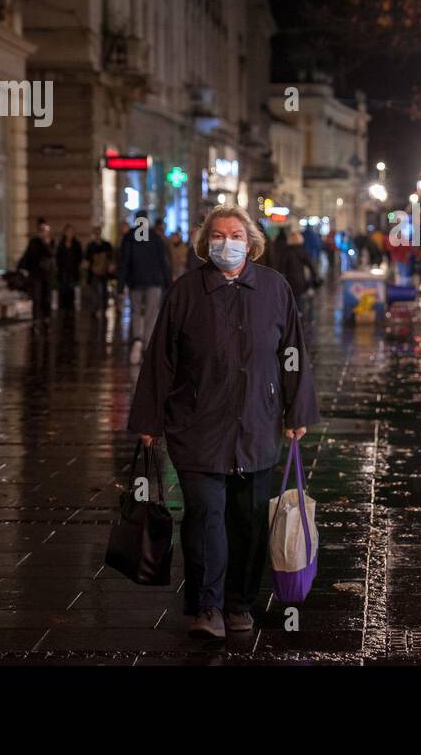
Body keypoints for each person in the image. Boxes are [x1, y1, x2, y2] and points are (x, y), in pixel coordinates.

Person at [128, 206, 319, 639]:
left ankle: (239, 603)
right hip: (197, 426)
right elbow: (161, 359)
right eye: (217, 235)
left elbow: (293, 351)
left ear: (250, 243)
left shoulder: (274, 288)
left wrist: (297, 410)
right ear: (205, 243)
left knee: (248, 520)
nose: (226, 243)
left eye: (235, 234)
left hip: (257, 425)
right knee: (203, 517)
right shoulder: (185, 291)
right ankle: (207, 607)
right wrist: (148, 418)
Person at [119, 209, 172, 365]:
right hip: (154, 282)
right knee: (151, 314)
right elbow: (163, 262)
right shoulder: (155, 237)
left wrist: (121, 286)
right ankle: (147, 346)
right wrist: (169, 284)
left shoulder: (129, 237)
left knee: (135, 312)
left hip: (135, 281)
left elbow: (123, 263)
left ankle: (137, 340)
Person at [17, 218, 55, 323]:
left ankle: (47, 318)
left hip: (47, 274)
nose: (43, 231)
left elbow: (51, 254)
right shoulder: (33, 242)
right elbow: (28, 256)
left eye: (45, 229)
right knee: (36, 298)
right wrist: (22, 269)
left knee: (47, 297)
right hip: (36, 274)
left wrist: (46, 243)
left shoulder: (50, 242)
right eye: (41, 229)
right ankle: (36, 319)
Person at [84, 226, 114, 314]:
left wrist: (110, 266)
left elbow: (110, 258)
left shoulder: (106, 245)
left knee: (104, 291)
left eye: (98, 232)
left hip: (104, 272)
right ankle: (95, 308)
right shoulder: (90, 246)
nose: (97, 234)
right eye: (95, 233)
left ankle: (104, 307)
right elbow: (87, 260)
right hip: (94, 273)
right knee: (95, 292)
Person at [55, 224, 82, 312]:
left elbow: (79, 257)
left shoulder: (76, 244)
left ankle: (70, 312)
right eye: (68, 231)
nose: (70, 233)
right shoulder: (61, 244)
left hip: (72, 273)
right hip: (63, 273)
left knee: (71, 294)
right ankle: (63, 311)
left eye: (71, 232)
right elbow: (57, 258)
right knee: (63, 293)